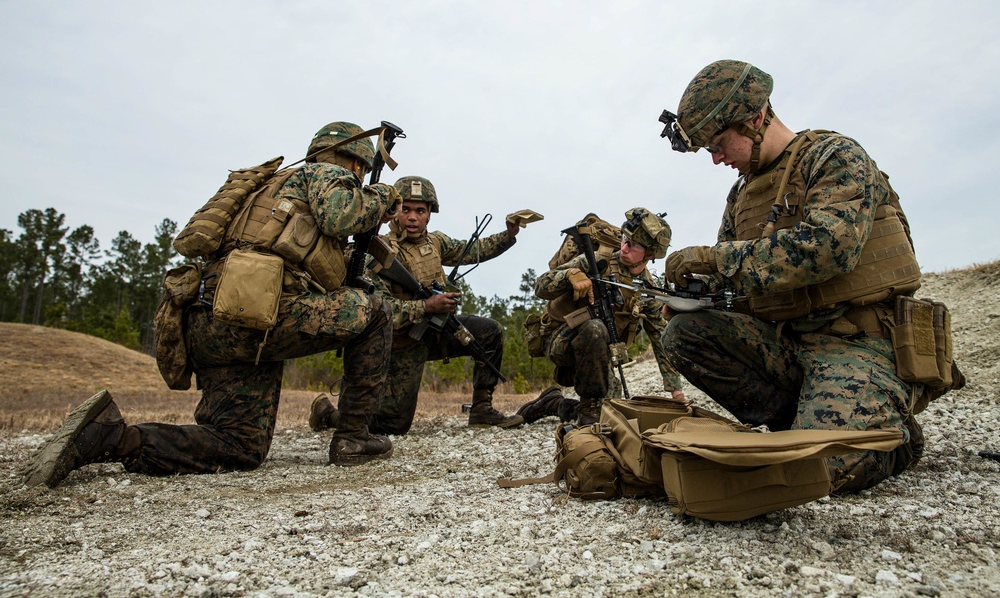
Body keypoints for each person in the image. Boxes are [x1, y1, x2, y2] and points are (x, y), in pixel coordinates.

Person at [26, 121, 402, 488]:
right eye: (362, 168)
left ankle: (111, 438)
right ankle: (353, 436)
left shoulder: (263, 192)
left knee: (240, 445)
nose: (359, 173)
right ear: (355, 163)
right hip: (256, 316)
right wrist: (383, 195)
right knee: (375, 312)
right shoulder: (322, 174)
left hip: (210, 321)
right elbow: (341, 216)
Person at [657, 59, 927, 493]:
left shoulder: (834, 156)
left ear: (755, 118)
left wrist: (713, 259)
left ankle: (892, 438)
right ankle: (800, 422)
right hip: (788, 342)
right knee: (684, 332)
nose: (716, 158)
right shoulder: (743, 193)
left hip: (856, 341)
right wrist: (696, 296)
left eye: (719, 143)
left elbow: (827, 248)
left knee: (821, 470)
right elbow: (737, 281)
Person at [309, 175, 524, 435]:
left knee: (489, 332)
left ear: (429, 215)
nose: (412, 217)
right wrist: (426, 307)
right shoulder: (379, 252)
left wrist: (509, 234)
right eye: (406, 210)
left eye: (420, 211)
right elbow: (380, 308)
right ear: (394, 213)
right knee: (392, 425)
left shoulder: (436, 242)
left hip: (436, 331)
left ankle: (481, 410)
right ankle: (328, 414)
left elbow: (475, 249)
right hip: (400, 342)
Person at [516, 208, 681, 427]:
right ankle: (587, 409)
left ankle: (555, 404)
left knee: (615, 411)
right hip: (563, 341)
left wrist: (675, 390)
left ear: (650, 254)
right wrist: (569, 276)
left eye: (633, 245)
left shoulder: (646, 289)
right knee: (595, 329)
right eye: (624, 239)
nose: (623, 247)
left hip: (602, 355)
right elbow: (541, 285)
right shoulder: (596, 261)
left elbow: (659, 336)